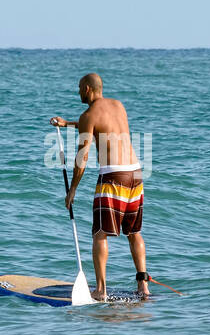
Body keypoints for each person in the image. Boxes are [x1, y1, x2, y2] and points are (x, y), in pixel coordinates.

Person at [51, 73, 149, 299]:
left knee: (100, 233)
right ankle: (143, 287)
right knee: (134, 233)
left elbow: (82, 158)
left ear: (87, 89)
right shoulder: (118, 106)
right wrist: (68, 124)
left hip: (113, 176)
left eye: (79, 88)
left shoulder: (88, 115)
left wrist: (72, 190)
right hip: (135, 174)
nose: (78, 92)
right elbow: (102, 127)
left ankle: (101, 290)